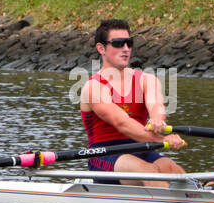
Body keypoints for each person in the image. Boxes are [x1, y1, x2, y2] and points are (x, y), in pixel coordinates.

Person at [79, 19, 186, 186]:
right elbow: (122, 123)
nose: (126, 49)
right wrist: (162, 139)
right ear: (101, 48)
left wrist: (157, 120)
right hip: (105, 154)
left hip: (141, 147)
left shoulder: (147, 80)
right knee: (149, 172)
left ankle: (201, 194)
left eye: (129, 43)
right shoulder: (94, 87)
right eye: (118, 43)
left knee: (172, 169)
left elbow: (156, 105)